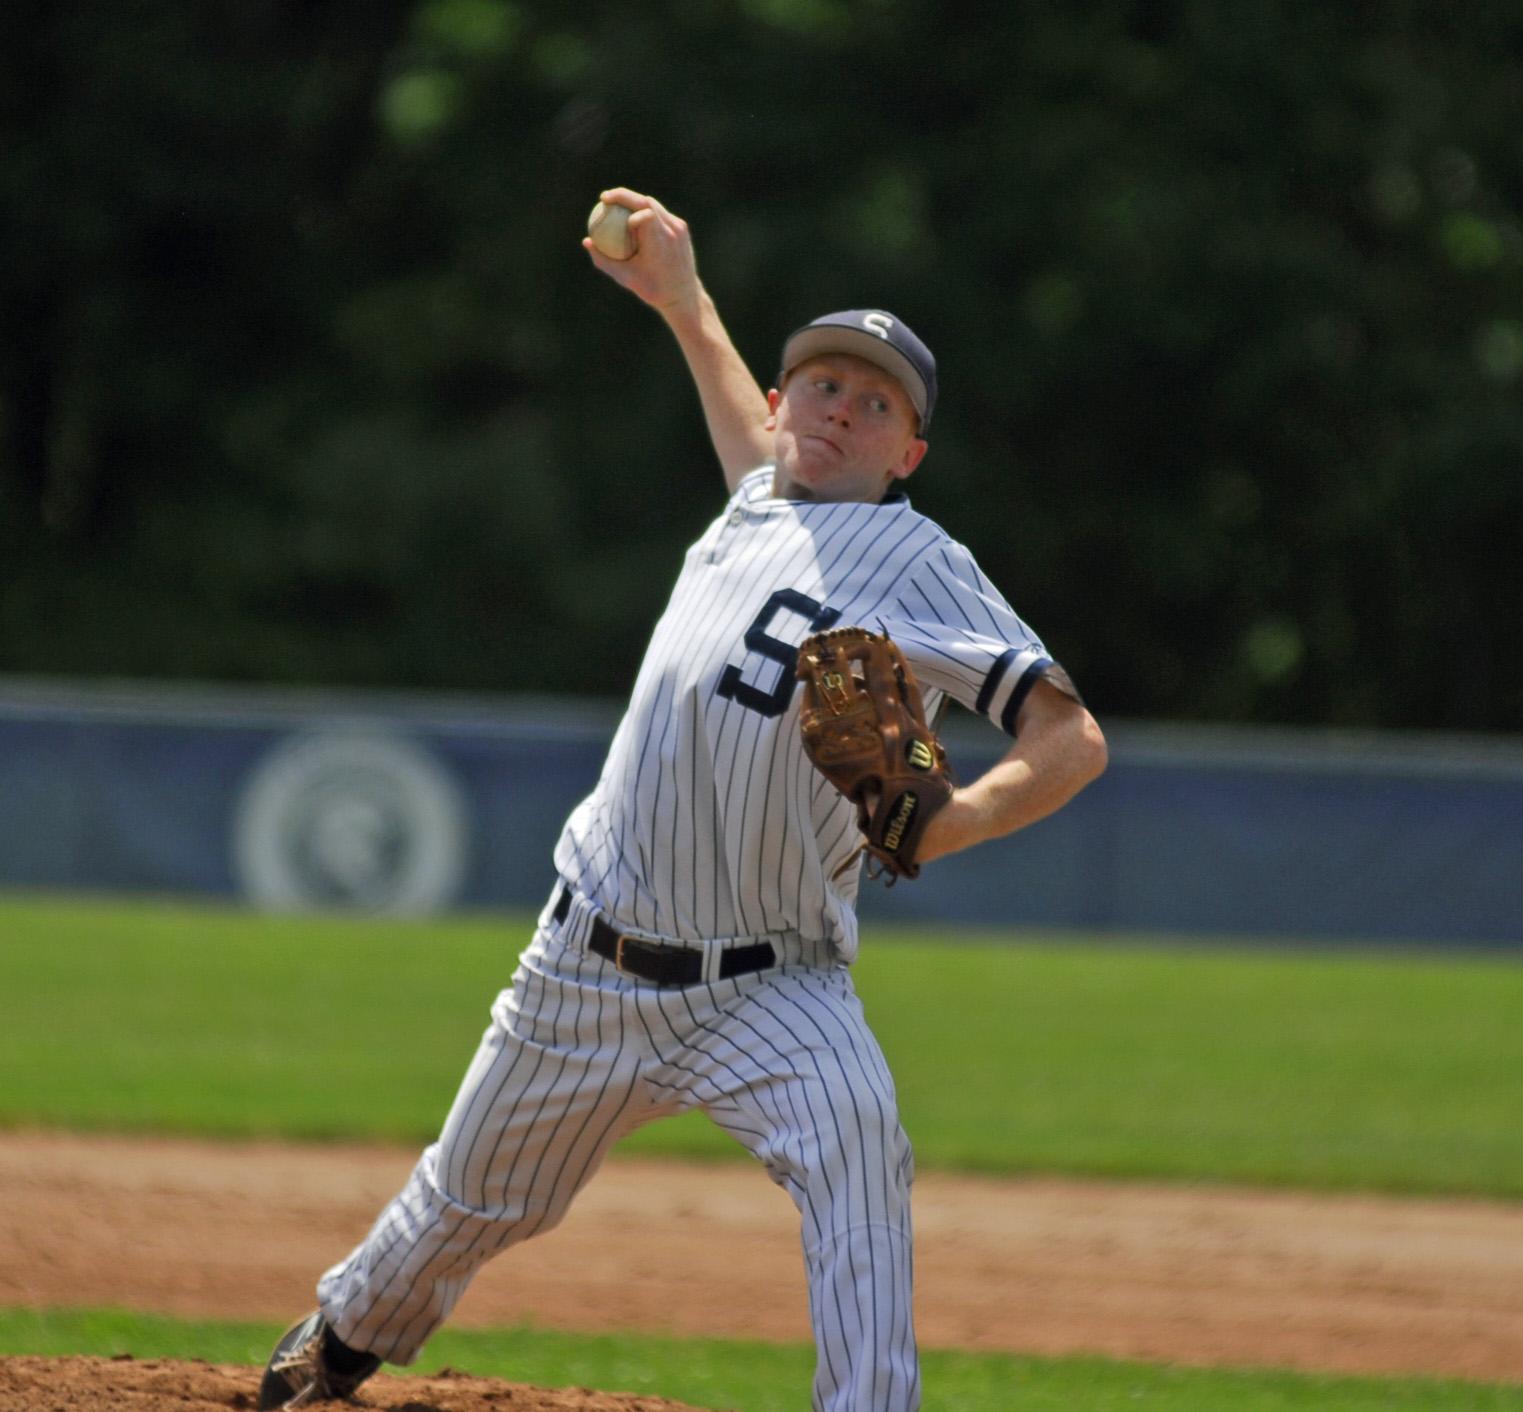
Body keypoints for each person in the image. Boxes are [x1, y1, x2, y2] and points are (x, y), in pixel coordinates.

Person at [258, 189, 1107, 1412]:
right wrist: (681, 295)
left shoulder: (927, 569)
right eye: (820, 383)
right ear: (782, 404)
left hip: (773, 983)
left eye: (876, 403)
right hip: (586, 966)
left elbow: (1068, 734)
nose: (840, 409)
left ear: (907, 453)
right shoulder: (755, 499)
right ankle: (339, 1342)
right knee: (471, 1199)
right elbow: (732, 408)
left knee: (858, 1160)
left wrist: (956, 815)